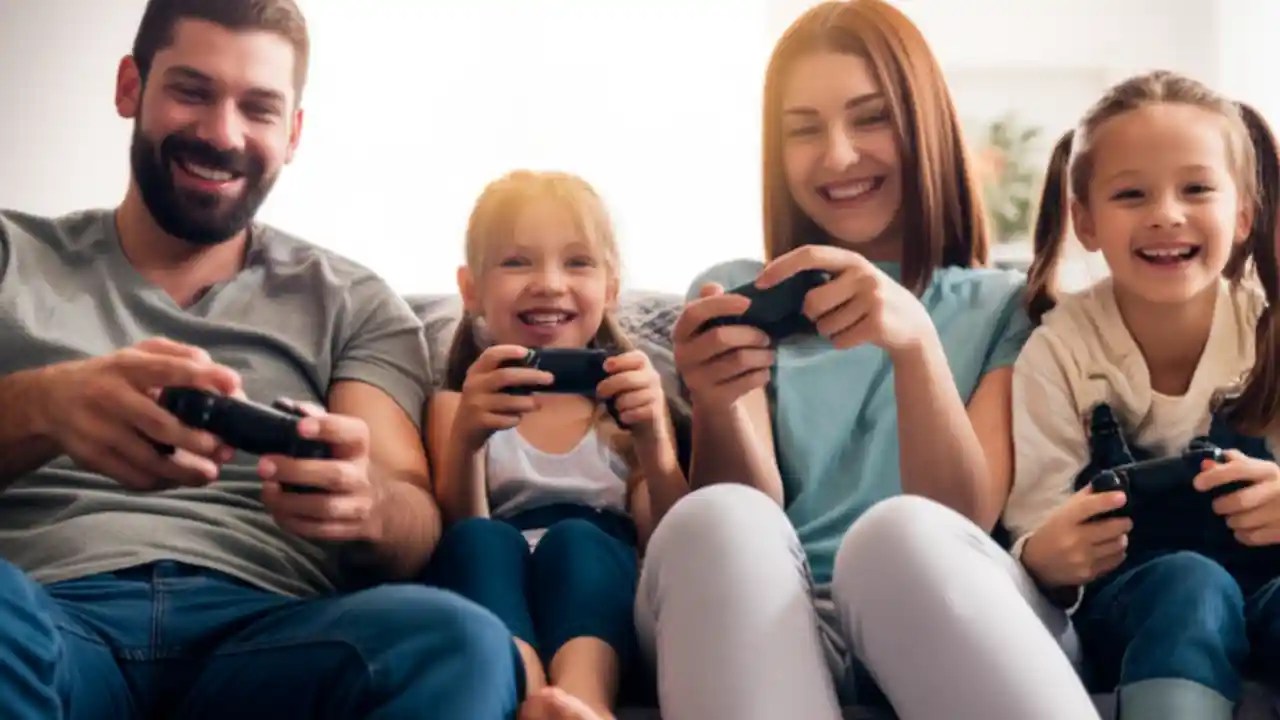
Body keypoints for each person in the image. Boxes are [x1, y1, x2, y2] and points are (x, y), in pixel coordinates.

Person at [0, 1, 518, 717]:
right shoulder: (10, 257)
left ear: (294, 132)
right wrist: (42, 408)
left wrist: (365, 503)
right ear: (130, 87)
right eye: (192, 91)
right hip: (39, 618)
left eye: (260, 108)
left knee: (457, 641)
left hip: (273, 636)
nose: (222, 134)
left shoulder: (352, 301)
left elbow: (412, 510)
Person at [632, 2, 1102, 719]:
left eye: (870, 117)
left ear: (923, 124)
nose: (839, 155)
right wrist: (721, 399)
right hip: (775, 619)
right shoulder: (736, 288)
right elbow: (751, 513)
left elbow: (962, 519)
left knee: (896, 535)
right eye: (804, 130)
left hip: (940, 603)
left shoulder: (1003, 304)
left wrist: (914, 344)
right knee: (718, 518)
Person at [1004, 69, 1280, 720]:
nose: (1165, 214)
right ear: (1086, 220)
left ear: (1241, 213)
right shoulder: (1060, 350)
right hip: (1130, 601)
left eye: (1197, 189)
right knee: (1191, 582)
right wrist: (1048, 554)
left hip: (1266, 583)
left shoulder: (1268, 333)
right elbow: (1032, 529)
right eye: (1131, 193)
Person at [424, 170, 687, 720]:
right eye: (517, 262)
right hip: (501, 593)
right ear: (471, 288)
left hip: (602, 600)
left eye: (577, 262)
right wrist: (469, 438)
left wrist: (655, 438)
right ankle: (530, 693)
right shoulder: (454, 405)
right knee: (480, 542)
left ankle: (584, 700)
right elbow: (457, 531)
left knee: (580, 540)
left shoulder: (621, 413)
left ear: (611, 287)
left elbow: (668, 542)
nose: (548, 282)